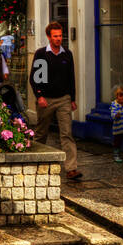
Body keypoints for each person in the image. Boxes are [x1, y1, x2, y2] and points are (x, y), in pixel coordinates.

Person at [30, 20, 82, 181]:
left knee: (66, 133)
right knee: (41, 132)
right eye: (55, 36)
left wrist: (72, 98)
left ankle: (71, 168)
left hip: (63, 99)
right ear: (49, 37)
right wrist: (40, 96)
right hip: (47, 99)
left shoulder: (67, 54)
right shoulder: (42, 54)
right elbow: (35, 78)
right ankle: (33, 162)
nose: (58, 39)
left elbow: (70, 78)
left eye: (60, 36)